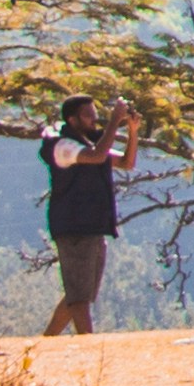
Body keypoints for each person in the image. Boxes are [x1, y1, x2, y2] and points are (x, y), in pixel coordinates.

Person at [37, 97, 137, 336]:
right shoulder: (63, 146)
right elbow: (96, 157)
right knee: (80, 297)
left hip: (92, 227)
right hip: (74, 228)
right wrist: (114, 121)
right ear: (72, 120)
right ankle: (87, 343)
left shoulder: (89, 143)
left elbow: (126, 162)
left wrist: (133, 131)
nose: (94, 119)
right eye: (88, 115)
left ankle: (47, 340)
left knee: (81, 293)